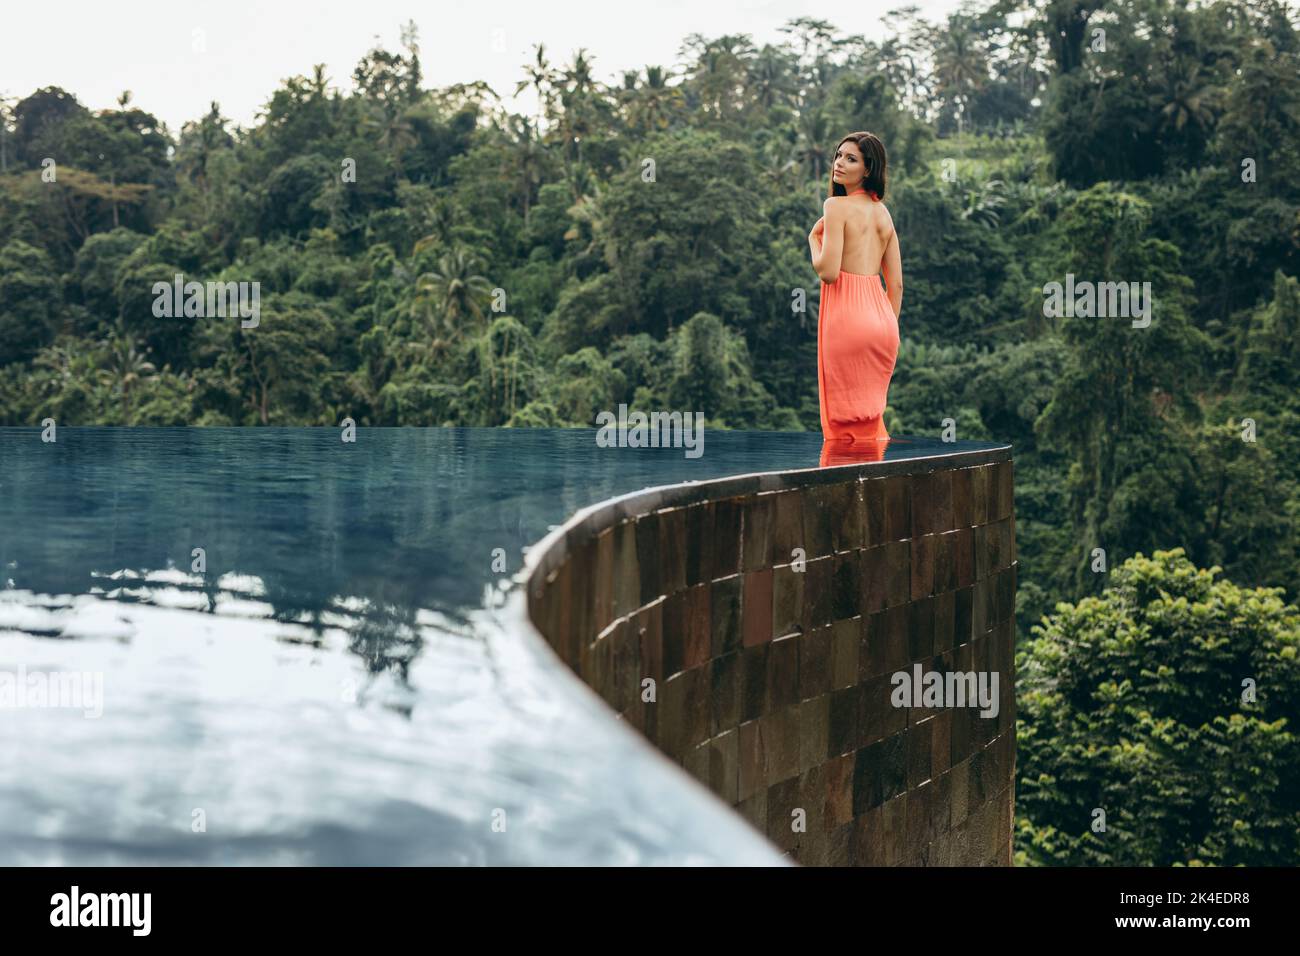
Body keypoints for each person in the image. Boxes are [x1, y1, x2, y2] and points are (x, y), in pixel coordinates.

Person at [808, 131, 903, 457]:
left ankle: (844, 492)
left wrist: (812, 240)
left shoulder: (835, 206)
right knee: (868, 419)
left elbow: (828, 272)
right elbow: (898, 286)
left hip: (847, 322)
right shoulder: (883, 214)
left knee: (843, 424)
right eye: (838, 155)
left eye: (851, 159)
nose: (839, 163)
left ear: (867, 169)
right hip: (883, 326)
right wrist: (885, 327)